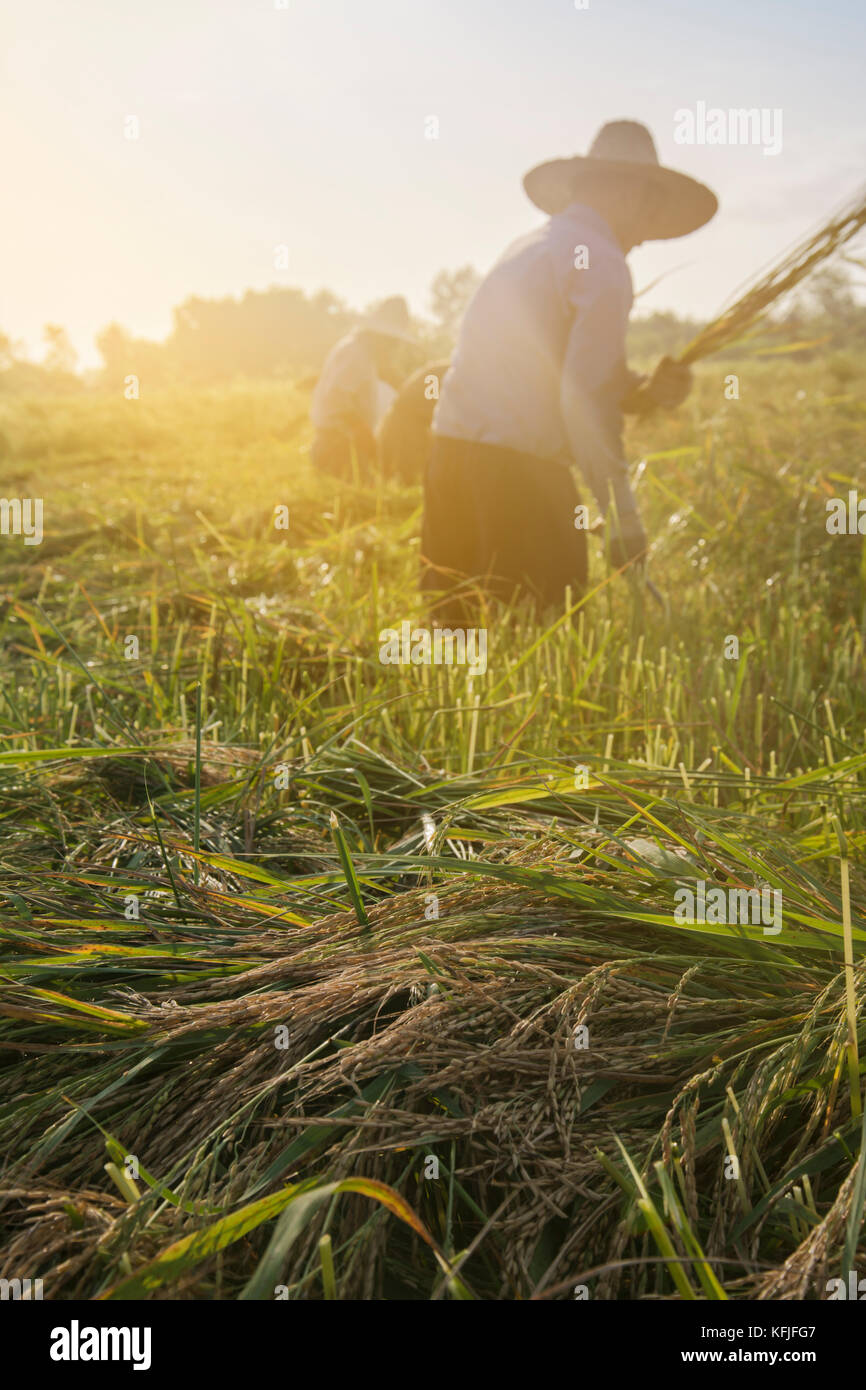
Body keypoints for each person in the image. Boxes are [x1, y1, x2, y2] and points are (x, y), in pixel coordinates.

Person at [421, 120, 718, 617]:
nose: (647, 236)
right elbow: (586, 401)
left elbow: (555, 374)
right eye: (651, 210)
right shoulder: (601, 262)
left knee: (457, 637)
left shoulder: (530, 247)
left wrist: (647, 390)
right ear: (626, 193)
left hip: (449, 460)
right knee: (544, 642)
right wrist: (623, 518)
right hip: (518, 478)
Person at [310, 297, 415, 480]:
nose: (395, 347)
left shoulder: (363, 354)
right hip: (339, 448)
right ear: (381, 337)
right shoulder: (355, 354)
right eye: (393, 341)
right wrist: (364, 436)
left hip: (344, 446)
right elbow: (337, 400)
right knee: (356, 502)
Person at [376, 358, 452, 483]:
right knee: (408, 474)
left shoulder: (444, 370)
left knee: (406, 474)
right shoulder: (447, 373)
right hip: (408, 422)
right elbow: (431, 406)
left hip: (410, 420)